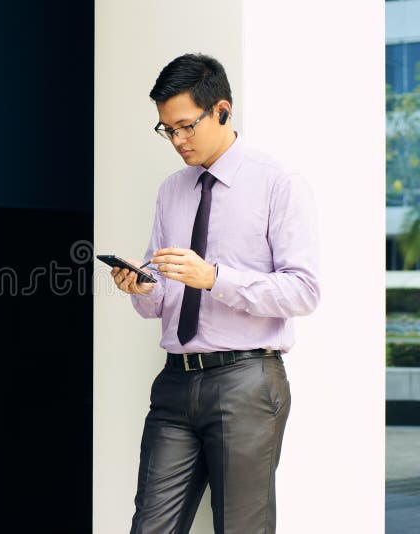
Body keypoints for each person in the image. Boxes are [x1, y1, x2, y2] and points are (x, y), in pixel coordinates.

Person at [112, 54, 320, 534]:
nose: (177, 141)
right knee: (150, 527)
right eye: (167, 130)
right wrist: (141, 288)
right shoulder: (171, 191)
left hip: (246, 382)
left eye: (185, 126)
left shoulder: (278, 183)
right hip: (175, 385)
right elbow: (161, 297)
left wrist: (214, 278)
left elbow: (305, 290)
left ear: (222, 110)